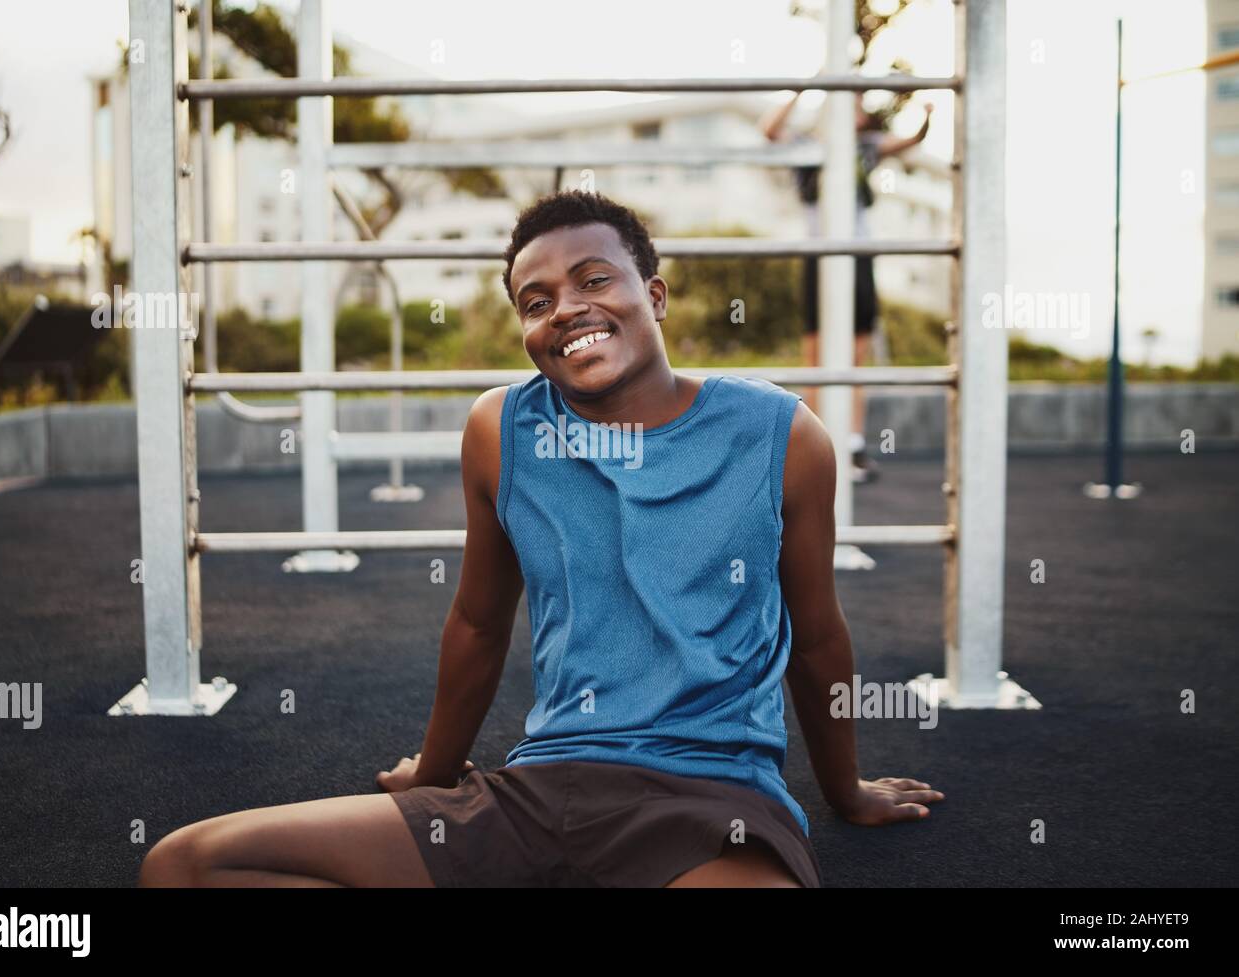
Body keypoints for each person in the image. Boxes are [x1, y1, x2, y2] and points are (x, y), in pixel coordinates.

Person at [136, 190, 944, 889]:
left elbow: (818, 636)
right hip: (541, 790)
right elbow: (479, 623)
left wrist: (847, 791)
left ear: (654, 295)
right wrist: (437, 777)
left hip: (711, 800)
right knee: (185, 864)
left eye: (595, 279)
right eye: (537, 300)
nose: (567, 308)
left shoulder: (780, 434)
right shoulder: (503, 429)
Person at [760, 92, 933, 481]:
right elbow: (770, 129)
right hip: (819, 256)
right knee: (816, 355)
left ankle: (852, 445)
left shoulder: (865, 148)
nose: (858, 109)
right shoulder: (807, 147)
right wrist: (804, 88)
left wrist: (926, 118)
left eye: (858, 103)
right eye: (849, 102)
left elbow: (910, 140)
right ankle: (814, 444)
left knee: (856, 355)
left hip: (857, 256)